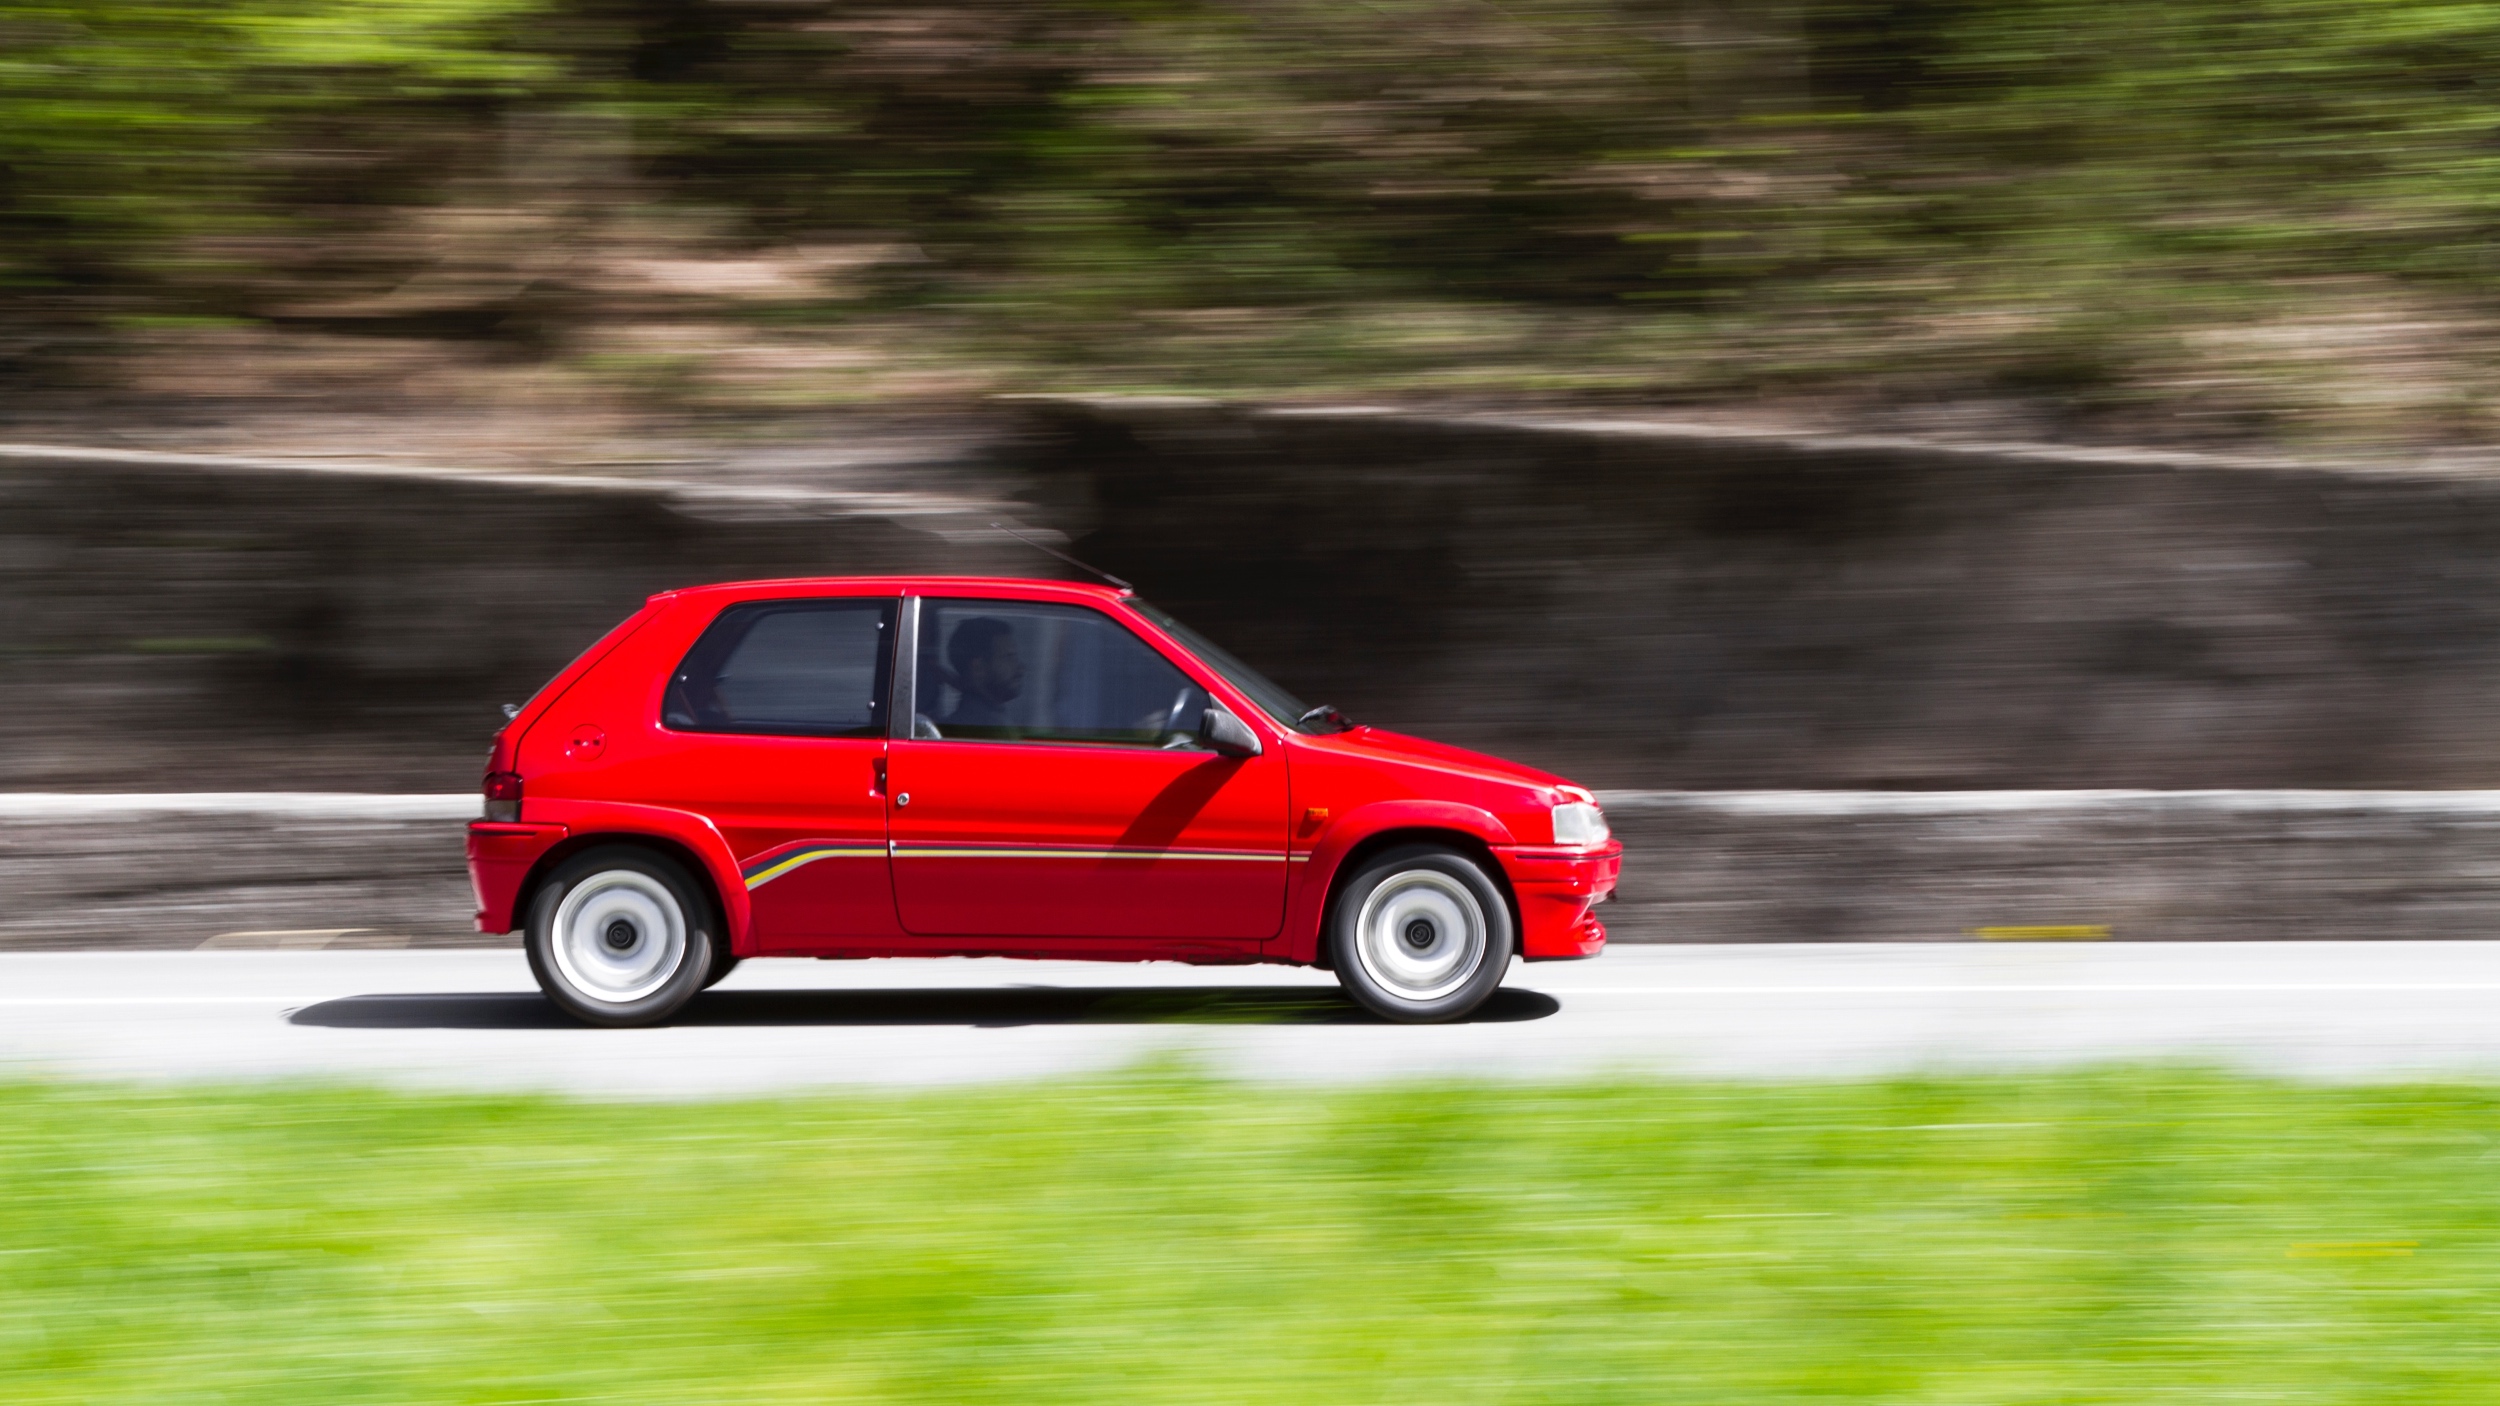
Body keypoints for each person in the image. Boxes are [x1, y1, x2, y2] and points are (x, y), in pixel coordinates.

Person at [943, 616, 1024, 730]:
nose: (1020, 668)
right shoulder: (980, 728)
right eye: (1008, 657)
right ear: (978, 668)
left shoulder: (990, 720)